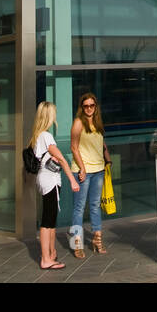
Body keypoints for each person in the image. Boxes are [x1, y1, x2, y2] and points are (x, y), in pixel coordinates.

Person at [30, 101, 79, 270]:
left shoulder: (38, 135)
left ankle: (51, 254)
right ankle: (46, 259)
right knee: (47, 221)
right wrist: (72, 180)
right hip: (49, 181)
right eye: (54, 113)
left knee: (50, 219)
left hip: (45, 179)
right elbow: (62, 159)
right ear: (49, 116)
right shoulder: (46, 136)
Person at [68, 91, 111, 259]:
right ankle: (76, 244)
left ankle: (97, 240)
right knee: (79, 208)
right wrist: (82, 168)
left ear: (95, 106)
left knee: (95, 205)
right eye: (85, 106)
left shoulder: (98, 122)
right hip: (82, 171)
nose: (89, 108)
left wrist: (107, 160)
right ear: (81, 107)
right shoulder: (78, 123)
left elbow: (101, 142)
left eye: (92, 105)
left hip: (99, 170)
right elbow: (73, 147)